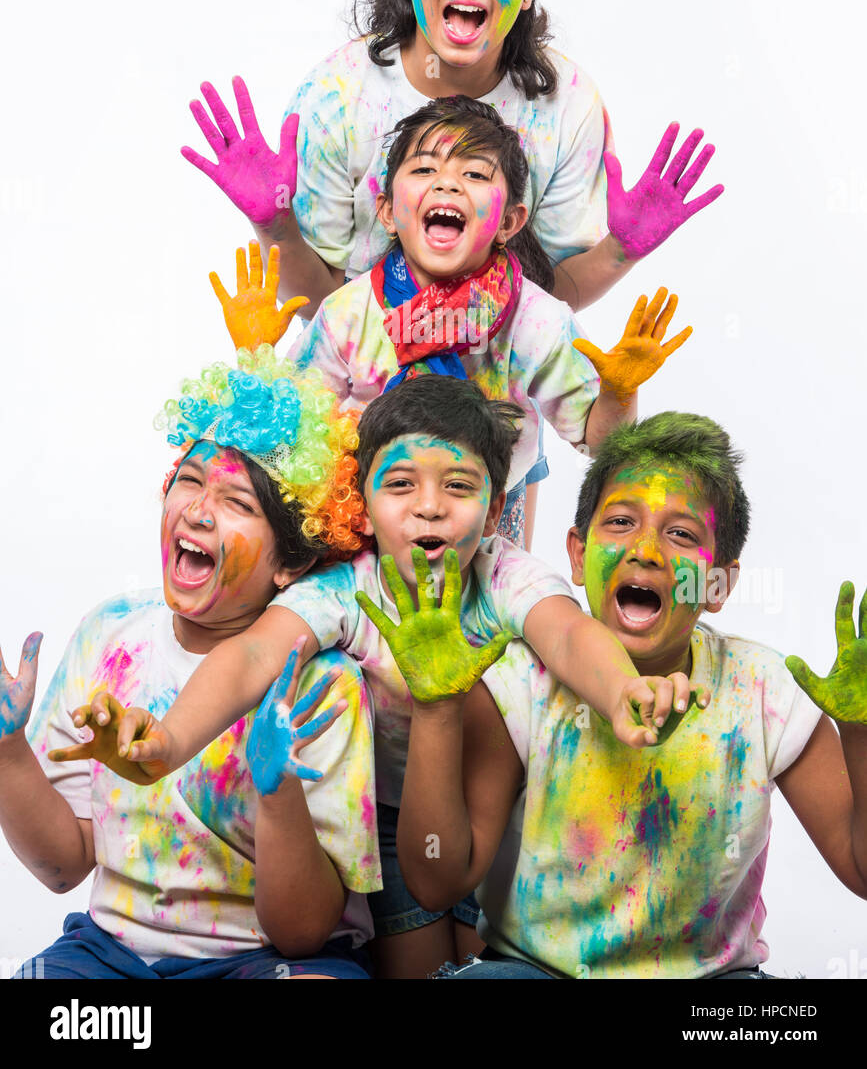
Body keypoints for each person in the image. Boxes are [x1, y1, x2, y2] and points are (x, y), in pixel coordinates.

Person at [181, 0, 723, 543]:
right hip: (359, 439)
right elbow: (315, 338)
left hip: (496, 445)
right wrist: (275, 225)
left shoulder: (565, 108)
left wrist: (620, 252)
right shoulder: (338, 100)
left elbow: (546, 302)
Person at [98, 377, 700, 979]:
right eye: (401, 484)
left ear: (494, 511)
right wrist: (169, 741)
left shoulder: (505, 577)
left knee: (485, 963)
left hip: (500, 812)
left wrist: (623, 692)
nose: (429, 505)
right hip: (387, 820)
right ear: (363, 500)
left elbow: (568, 634)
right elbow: (256, 655)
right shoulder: (345, 589)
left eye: (458, 487)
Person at [386, 411, 867, 978]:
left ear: (718, 584)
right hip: (535, 970)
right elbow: (437, 881)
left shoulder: (762, 691)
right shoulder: (520, 681)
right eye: (619, 522)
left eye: (682, 534)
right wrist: (437, 711)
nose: (646, 550)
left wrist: (860, 734)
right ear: (576, 553)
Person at [0, 338, 381, 980]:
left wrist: (277, 791)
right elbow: (65, 866)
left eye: (238, 503)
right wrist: (8, 753)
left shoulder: (324, 685)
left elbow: (304, 934)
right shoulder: (111, 635)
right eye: (190, 481)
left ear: (292, 562)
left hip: (259, 961)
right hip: (110, 955)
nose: (199, 511)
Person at [281, 95, 693, 543]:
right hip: (367, 515)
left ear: (509, 221)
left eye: (475, 174)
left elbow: (601, 441)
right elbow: (293, 427)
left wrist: (619, 392)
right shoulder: (348, 313)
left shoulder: (536, 320)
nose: (447, 184)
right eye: (424, 169)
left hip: (493, 518)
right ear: (386, 211)